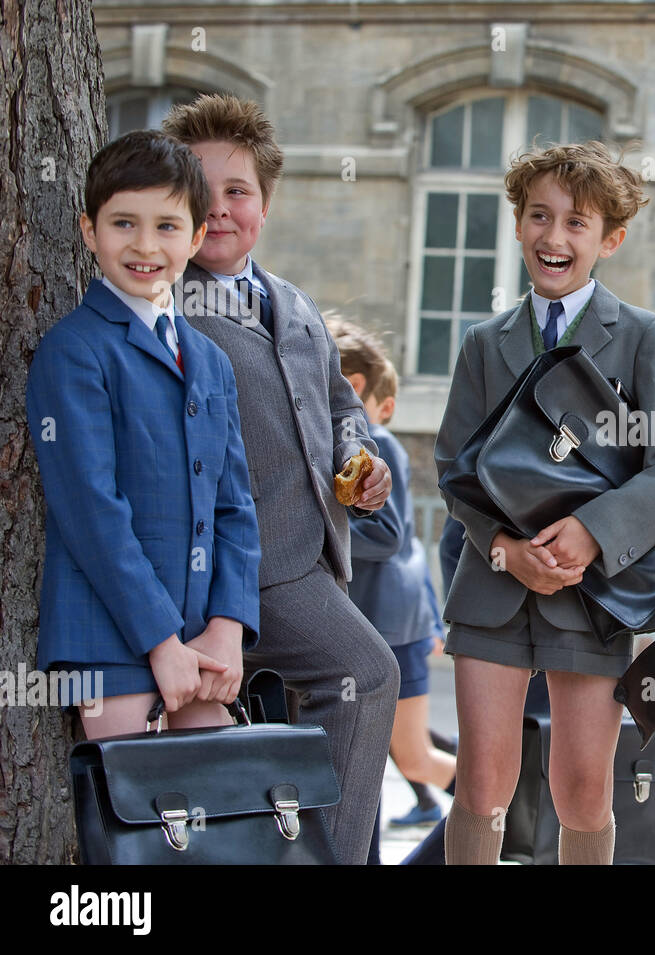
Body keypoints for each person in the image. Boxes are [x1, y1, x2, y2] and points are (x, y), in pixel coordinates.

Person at [433, 141, 655, 864]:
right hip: (492, 587)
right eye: (539, 217)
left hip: (594, 592)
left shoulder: (645, 337)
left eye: (577, 223)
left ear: (609, 239)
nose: (555, 238)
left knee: (583, 788)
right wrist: (502, 547)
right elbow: (453, 468)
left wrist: (592, 531)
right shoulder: (483, 342)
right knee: (483, 784)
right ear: (519, 225)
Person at [162, 94, 399, 865]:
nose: (220, 209)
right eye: (201, 191)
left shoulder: (291, 302)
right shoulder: (164, 306)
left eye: (238, 192)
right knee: (364, 675)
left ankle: (320, 852)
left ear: (266, 204)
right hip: (239, 572)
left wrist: (361, 463)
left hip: (316, 559)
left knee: (320, 725)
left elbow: (339, 406)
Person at [26, 130, 260, 737]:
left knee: (214, 820)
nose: (145, 245)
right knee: (138, 822)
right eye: (123, 223)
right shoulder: (74, 350)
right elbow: (89, 509)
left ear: (197, 235)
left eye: (166, 226)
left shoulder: (209, 360)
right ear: (88, 231)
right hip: (108, 638)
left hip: (202, 639)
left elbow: (235, 505)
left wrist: (228, 625)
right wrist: (160, 640)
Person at [328, 322, 457, 818]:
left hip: (390, 626)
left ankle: (509, 814)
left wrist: (321, 535)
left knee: (416, 758)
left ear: (351, 386)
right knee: (374, 757)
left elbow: (389, 538)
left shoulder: (376, 442)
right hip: (385, 622)